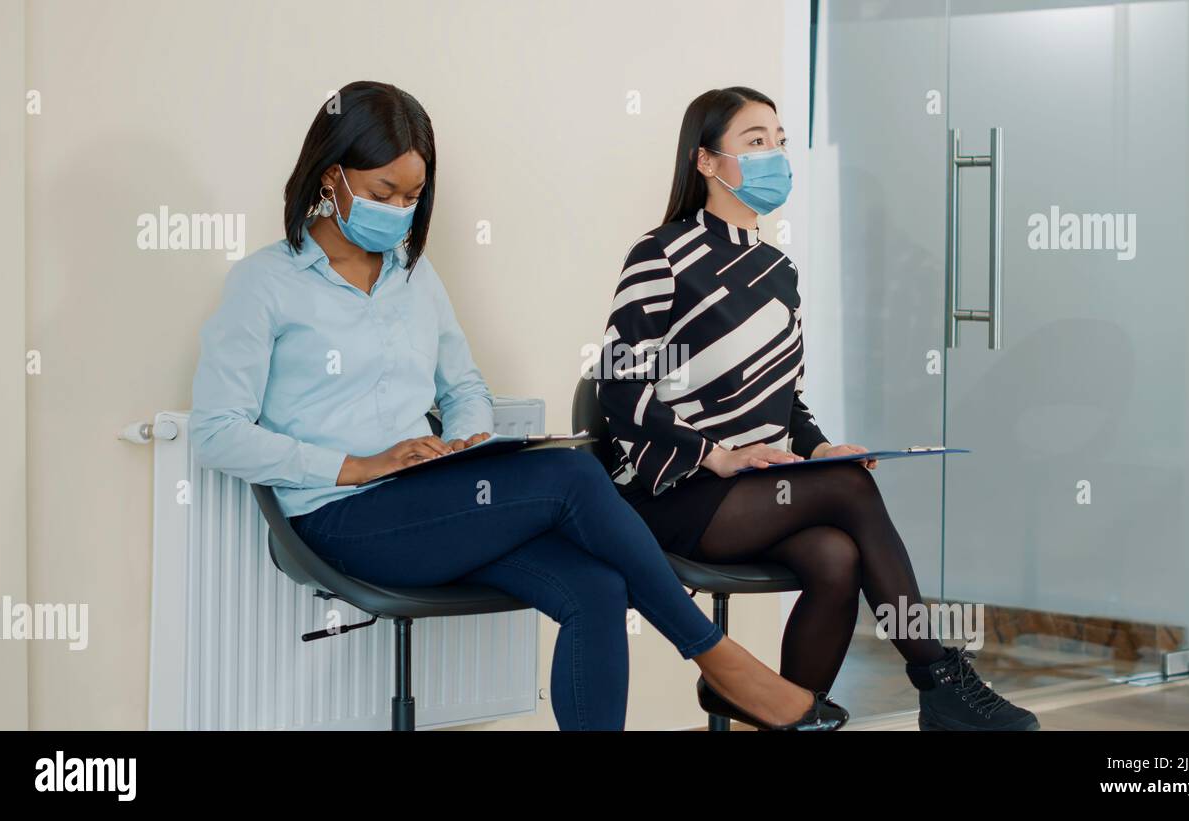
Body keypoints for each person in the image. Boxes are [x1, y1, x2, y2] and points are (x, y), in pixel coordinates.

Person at [188, 80, 846, 732]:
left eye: (413, 196)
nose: (400, 210)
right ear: (331, 177)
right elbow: (217, 433)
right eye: (384, 192)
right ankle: (720, 659)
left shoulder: (414, 278)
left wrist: (465, 441)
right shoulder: (265, 285)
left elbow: (465, 388)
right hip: (339, 518)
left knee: (597, 588)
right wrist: (355, 465)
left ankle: (718, 669)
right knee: (572, 474)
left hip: (431, 500)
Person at [594, 86, 1038, 731]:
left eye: (779, 140)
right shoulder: (660, 254)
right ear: (707, 161)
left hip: (751, 489)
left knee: (837, 557)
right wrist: (715, 455)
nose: (775, 153)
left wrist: (820, 447)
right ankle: (939, 676)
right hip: (676, 490)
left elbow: (786, 400)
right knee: (849, 490)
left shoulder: (778, 268)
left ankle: (774, 709)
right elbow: (617, 389)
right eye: (755, 142)